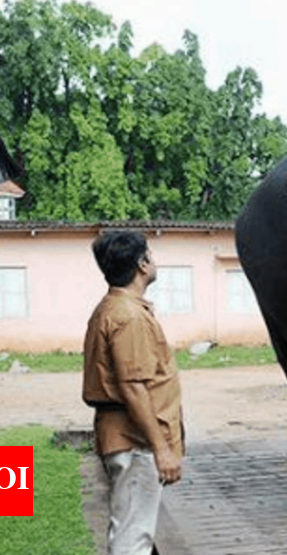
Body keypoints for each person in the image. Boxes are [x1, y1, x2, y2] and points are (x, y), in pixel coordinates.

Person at [82, 231, 184, 555]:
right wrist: (161, 449)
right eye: (150, 254)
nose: (154, 260)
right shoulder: (127, 316)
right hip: (135, 441)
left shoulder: (114, 309)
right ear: (142, 264)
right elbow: (132, 386)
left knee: (133, 532)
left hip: (127, 437)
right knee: (131, 540)